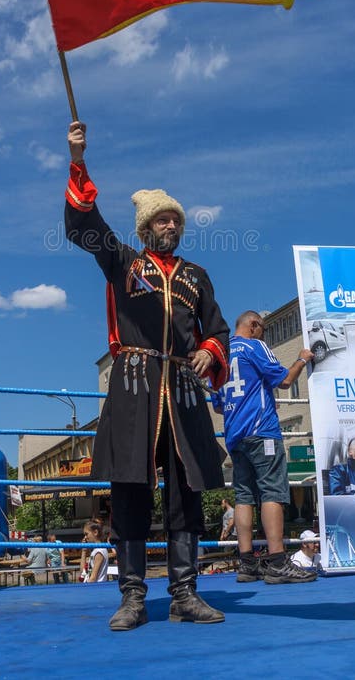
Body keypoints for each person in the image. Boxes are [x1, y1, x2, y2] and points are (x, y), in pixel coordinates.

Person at [65, 122, 230, 631]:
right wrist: (78, 160)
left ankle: (185, 593)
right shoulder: (123, 262)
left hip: (181, 392)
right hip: (135, 387)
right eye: (160, 220)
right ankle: (133, 597)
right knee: (130, 490)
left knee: (187, 490)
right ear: (144, 228)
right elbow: (84, 226)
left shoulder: (195, 275)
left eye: (174, 220)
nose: (169, 226)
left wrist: (208, 350)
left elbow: (218, 328)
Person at [211, 310, 316, 584]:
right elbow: (284, 380)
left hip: (234, 434)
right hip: (262, 430)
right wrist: (302, 360)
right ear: (253, 325)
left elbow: (219, 404)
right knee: (273, 491)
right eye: (264, 329)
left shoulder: (220, 354)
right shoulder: (254, 346)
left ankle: (246, 563)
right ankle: (278, 560)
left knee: (243, 495)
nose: (264, 334)